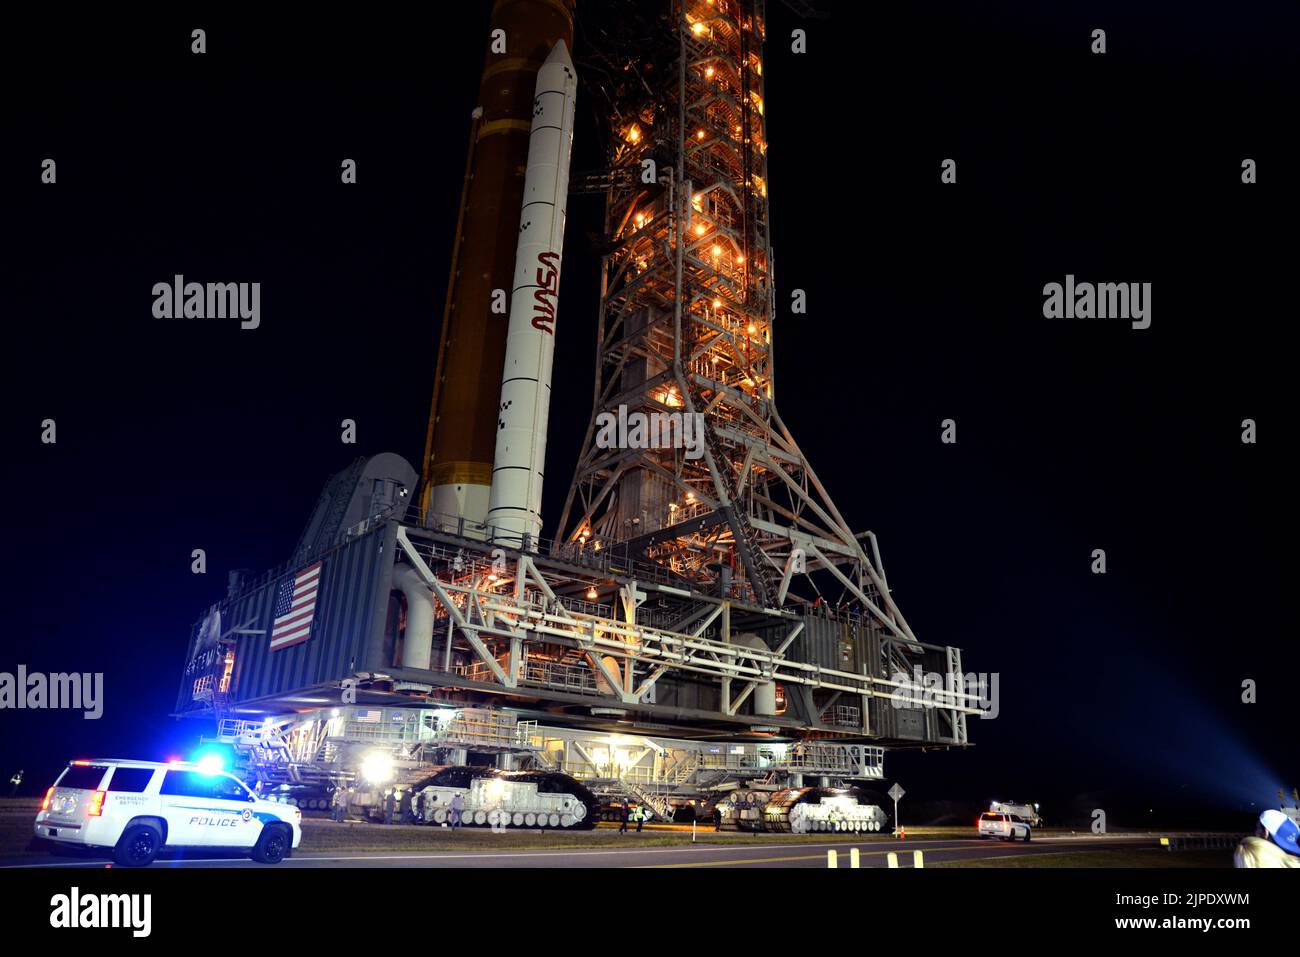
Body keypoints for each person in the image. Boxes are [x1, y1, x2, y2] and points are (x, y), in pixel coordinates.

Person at [1235, 809, 1300, 868]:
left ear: (1266, 833)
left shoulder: (1256, 861)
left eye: (1257, 828)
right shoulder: (1296, 860)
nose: (1255, 832)